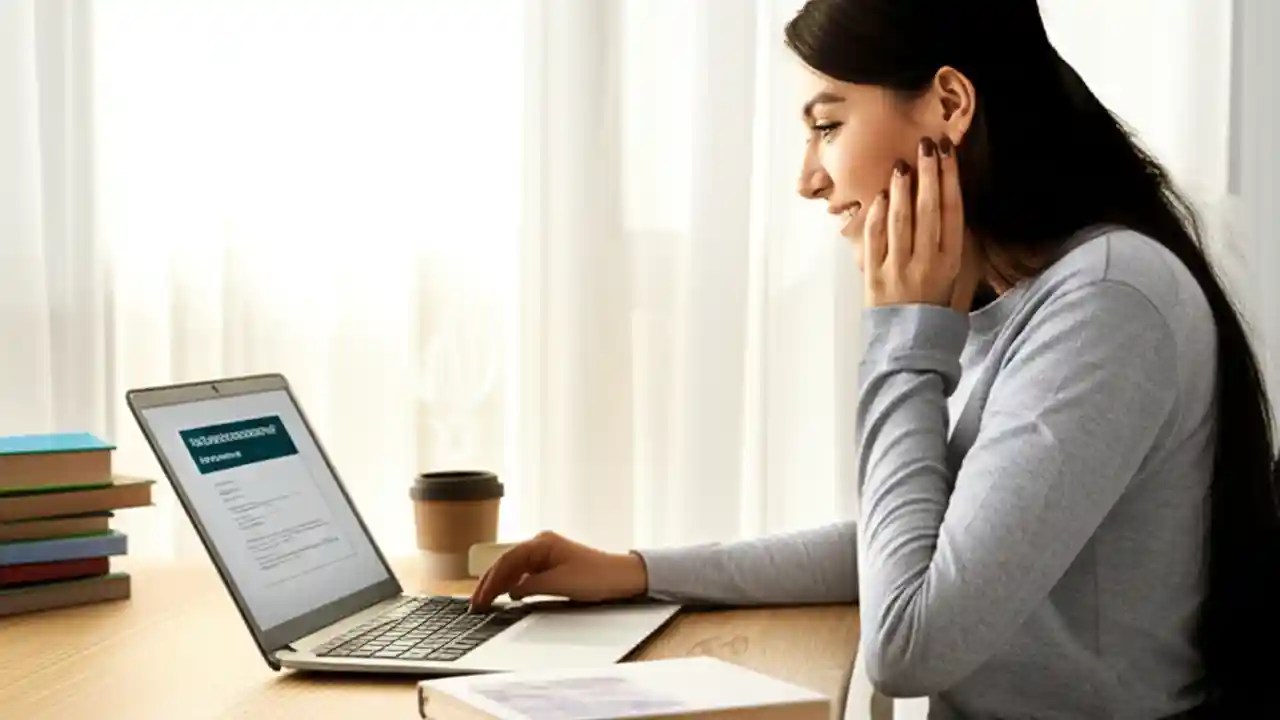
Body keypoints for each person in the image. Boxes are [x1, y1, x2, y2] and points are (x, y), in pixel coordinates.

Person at [470, 1, 1280, 716]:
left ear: (950, 105)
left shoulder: (1106, 305)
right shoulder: (1052, 297)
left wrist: (904, 339)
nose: (807, 179)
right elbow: (925, 548)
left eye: (828, 125)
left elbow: (909, 642)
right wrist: (639, 571)